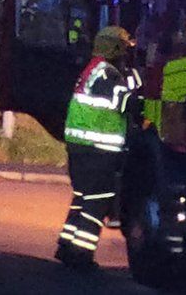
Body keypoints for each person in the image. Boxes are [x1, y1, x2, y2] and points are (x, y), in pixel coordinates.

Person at [55, 26, 140, 270]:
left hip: (82, 147)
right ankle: (81, 255)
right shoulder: (108, 75)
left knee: (82, 198)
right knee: (96, 203)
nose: (126, 53)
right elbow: (126, 102)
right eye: (125, 49)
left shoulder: (95, 69)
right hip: (98, 149)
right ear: (116, 48)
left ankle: (66, 245)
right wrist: (136, 77)